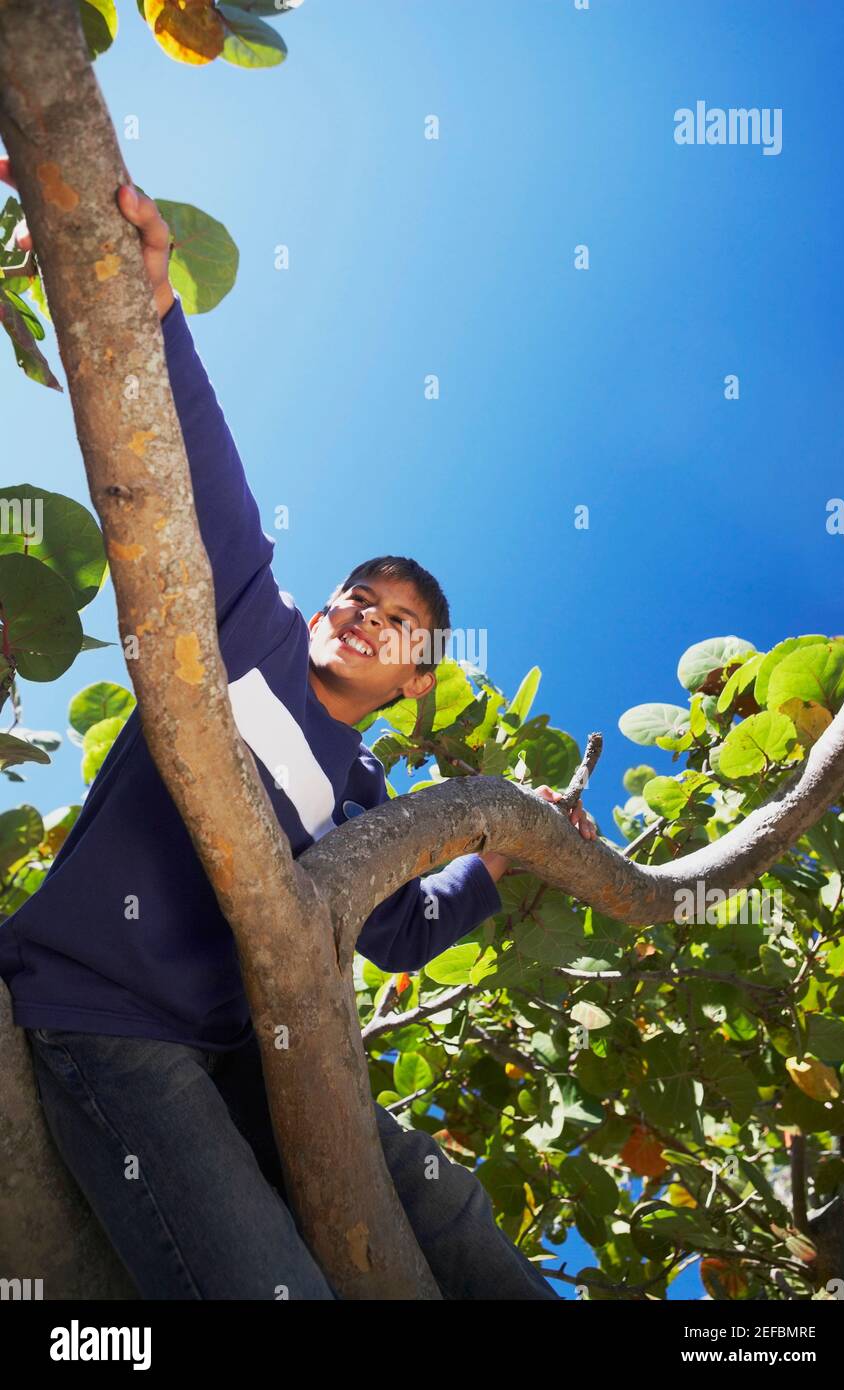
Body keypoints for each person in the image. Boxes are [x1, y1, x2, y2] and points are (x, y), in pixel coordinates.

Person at [0, 161, 597, 1300]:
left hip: (242, 1058)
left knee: (438, 1199)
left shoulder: (363, 806)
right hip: (107, 1018)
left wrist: (497, 857)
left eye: (403, 619)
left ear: (419, 680)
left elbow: (404, 931)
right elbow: (198, 476)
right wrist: (157, 309)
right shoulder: (242, 632)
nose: (369, 613)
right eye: (358, 595)